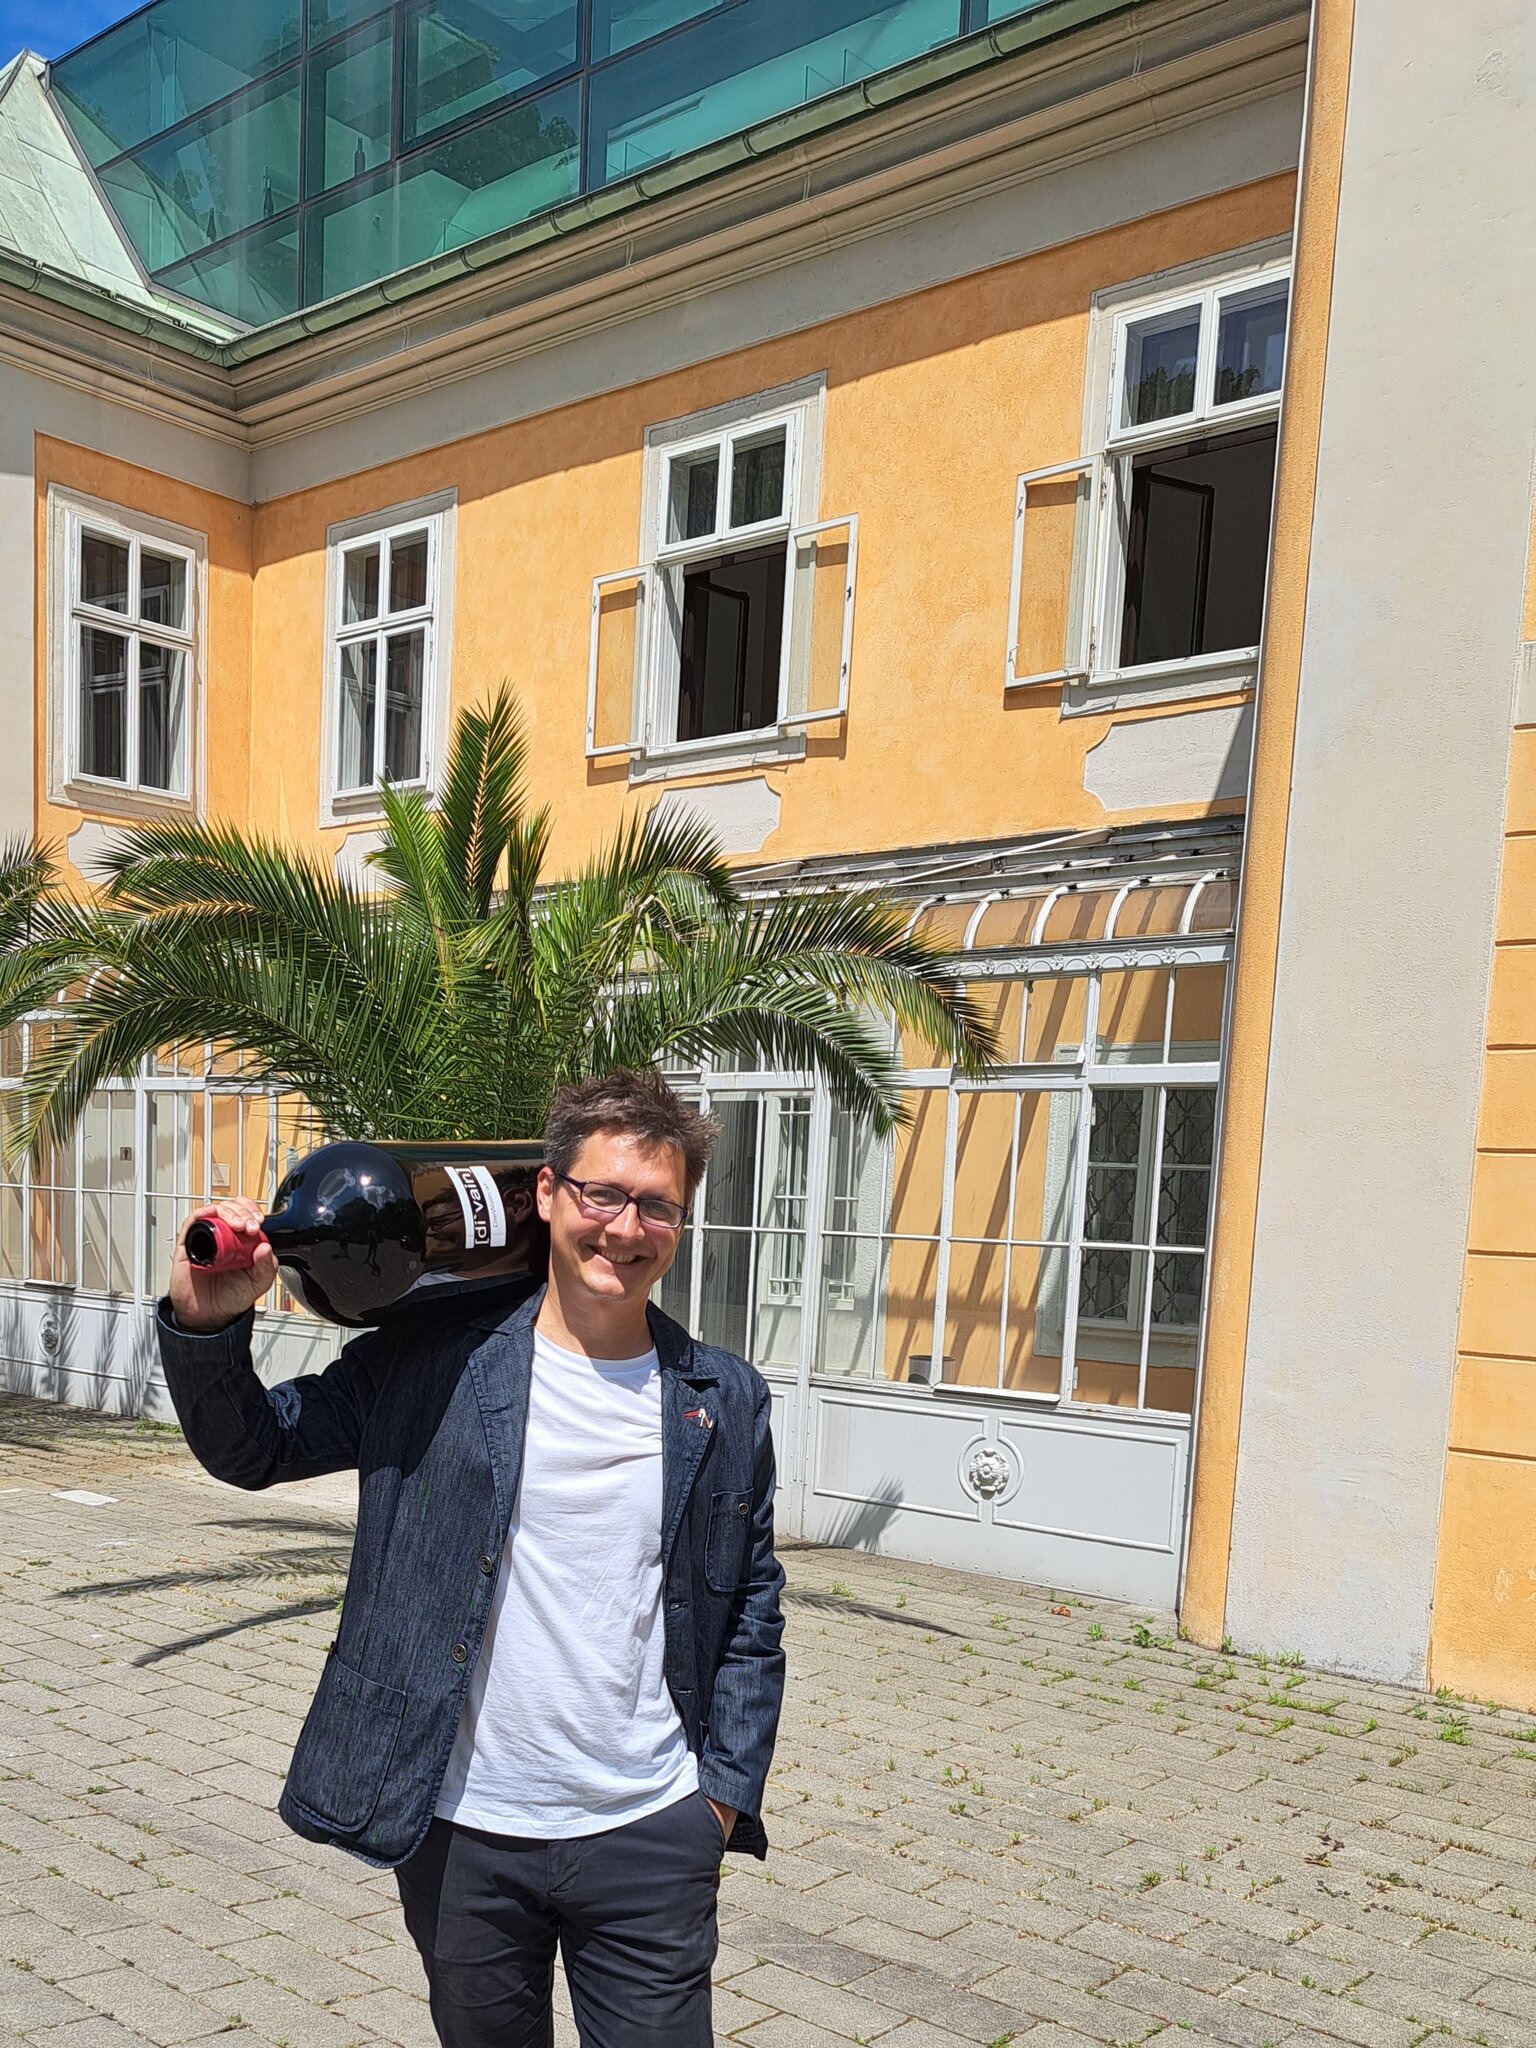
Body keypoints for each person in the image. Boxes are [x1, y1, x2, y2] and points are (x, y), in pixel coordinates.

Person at [157, 1069, 786, 2048]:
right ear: (546, 1192)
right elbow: (256, 1446)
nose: (626, 1227)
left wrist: (717, 1798)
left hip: (652, 1829)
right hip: (465, 1834)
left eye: (657, 1204)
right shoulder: (432, 1360)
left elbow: (752, 1606)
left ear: (682, 1219)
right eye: (603, 1192)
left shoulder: (722, 1395)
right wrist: (209, 1322)